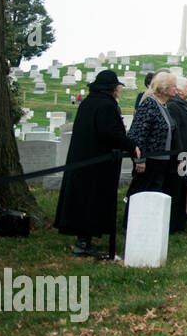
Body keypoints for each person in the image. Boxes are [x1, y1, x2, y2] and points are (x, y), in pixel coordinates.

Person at [54, 70, 142, 258]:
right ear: (112, 88)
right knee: (91, 201)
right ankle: (84, 243)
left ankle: (85, 240)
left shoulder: (89, 102)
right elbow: (111, 133)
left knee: (85, 200)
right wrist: (131, 145)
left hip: (84, 160)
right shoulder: (106, 105)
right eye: (117, 87)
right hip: (97, 164)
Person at [126, 71, 177, 205]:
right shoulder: (150, 104)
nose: (176, 88)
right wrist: (140, 159)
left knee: (154, 195)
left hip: (161, 160)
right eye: (173, 86)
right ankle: (131, 223)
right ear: (164, 88)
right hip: (149, 160)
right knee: (141, 193)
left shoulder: (163, 105)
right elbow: (139, 133)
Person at [165, 74, 187, 233]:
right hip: (180, 154)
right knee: (176, 189)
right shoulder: (173, 106)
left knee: (183, 187)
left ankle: (179, 222)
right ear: (178, 90)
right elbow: (176, 131)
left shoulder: (183, 105)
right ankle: (173, 224)